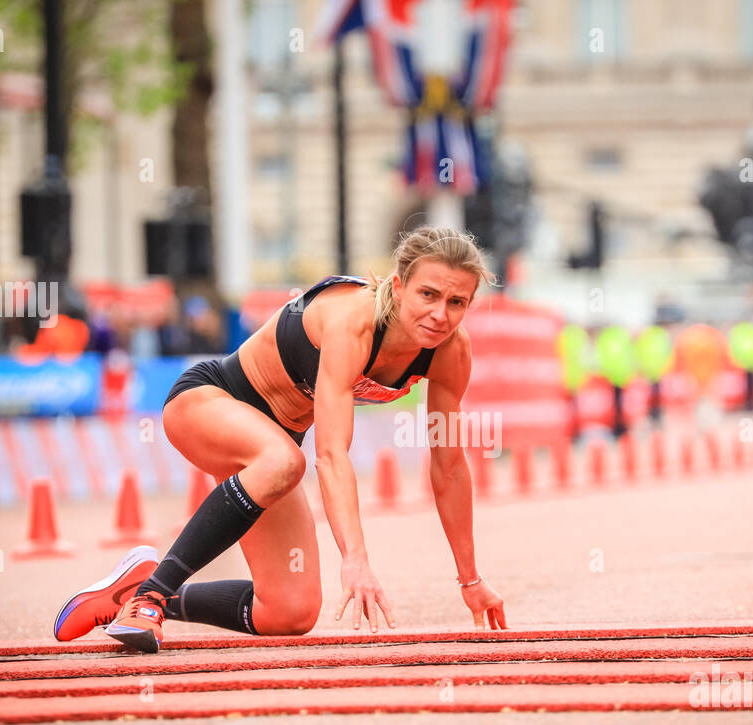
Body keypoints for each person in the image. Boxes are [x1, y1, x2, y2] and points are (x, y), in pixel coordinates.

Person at [53, 226, 509, 652]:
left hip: (275, 448)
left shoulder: (451, 351)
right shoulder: (353, 323)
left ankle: (135, 592)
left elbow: (448, 465)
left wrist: (470, 579)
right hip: (207, 402)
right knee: (286, 460)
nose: (439, 314)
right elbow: (330, 456)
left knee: (290, 612)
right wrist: (355, 559)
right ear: (399, 284)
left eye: (457, 302)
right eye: (428, 294)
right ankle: (150, 600)